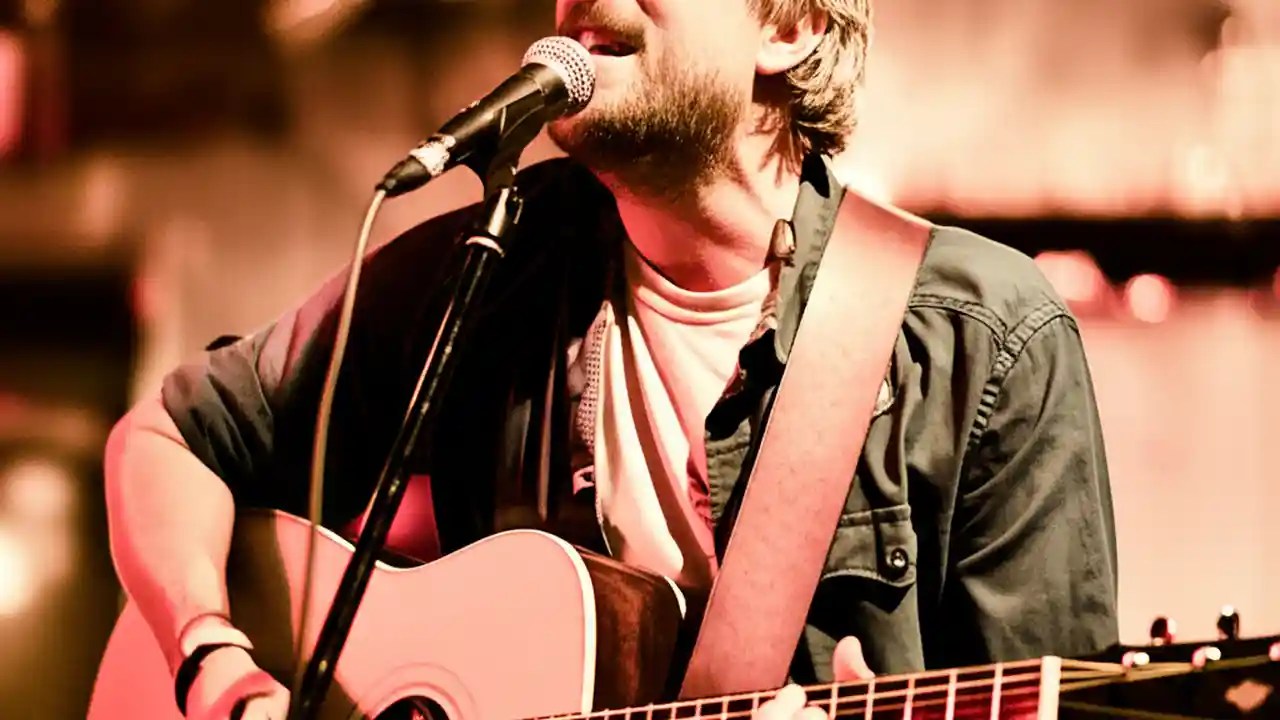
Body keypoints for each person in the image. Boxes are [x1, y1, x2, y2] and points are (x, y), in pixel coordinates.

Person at [102, 0, 1121, 718]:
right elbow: (167, 439)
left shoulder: (982, 342)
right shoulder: (495, 269)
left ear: (788, 25)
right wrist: (212, 660)